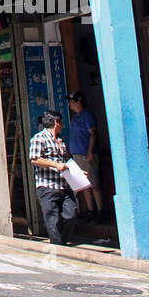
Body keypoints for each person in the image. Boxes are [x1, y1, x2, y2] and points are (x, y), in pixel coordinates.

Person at [29, 110, 78, 246]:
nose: (62, 125)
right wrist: (55, 165)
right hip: (47, 186)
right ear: (57, 122)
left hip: (64, 185)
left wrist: (78, 172)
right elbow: (34, 159)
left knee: (71, 214)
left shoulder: (60, 140)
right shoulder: (39, 138)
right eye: (61, 122)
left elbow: (66, 161)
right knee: (52, 220)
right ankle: (58, 246)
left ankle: (61, 241)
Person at [67, 91, 103, 221]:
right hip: (77, 155)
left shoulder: (87, 115)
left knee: (94, 183)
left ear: (78, 102)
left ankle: (100, 210)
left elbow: (93, 133)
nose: (70, 104)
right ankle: (90, 210)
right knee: (84, 185)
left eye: (72, 101)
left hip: (86, 154)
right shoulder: (75, 117)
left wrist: (89, 151)